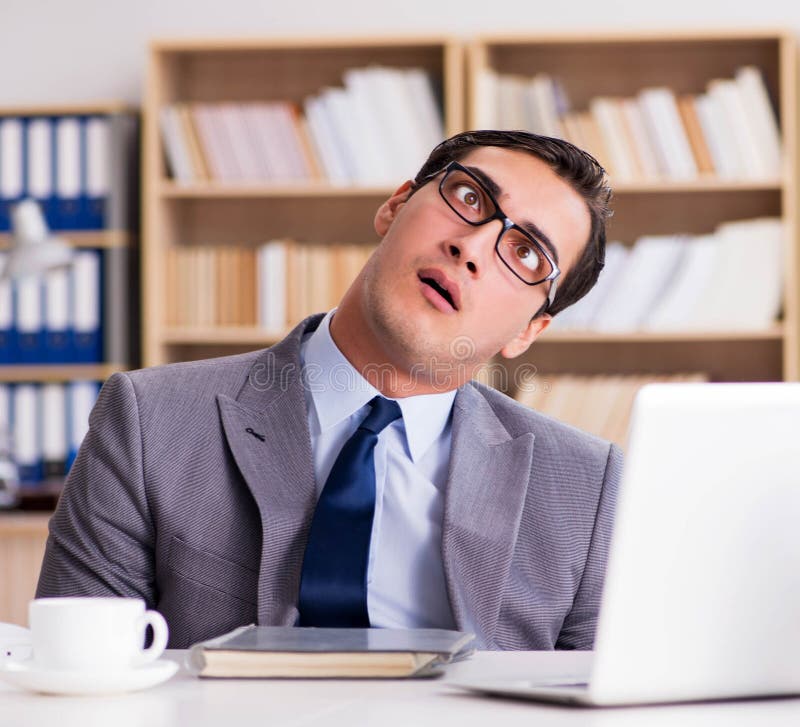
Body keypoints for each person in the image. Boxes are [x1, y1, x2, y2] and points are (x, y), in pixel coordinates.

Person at [37, 130, 622, 650]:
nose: (471, 248)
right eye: (470, 198)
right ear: (396, 206)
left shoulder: (588, 488)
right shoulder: (149, 420)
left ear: (528, 331)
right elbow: (78, 679)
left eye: (525, 253)